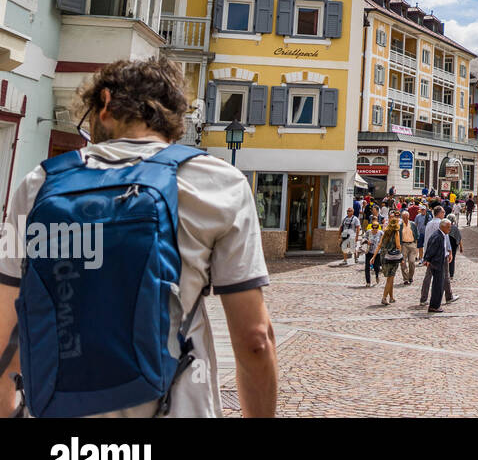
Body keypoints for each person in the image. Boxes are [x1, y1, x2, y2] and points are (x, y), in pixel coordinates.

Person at [0, 56, 276, 418]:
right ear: (175, 117)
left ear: (105, 105)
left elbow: (7, 329)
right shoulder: (216, 182)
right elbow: (255, 340)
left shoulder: (39, 184)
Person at [422, 220, 452, 313]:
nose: (449, 229)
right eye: (448, 227)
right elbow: (431, 249)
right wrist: (427, 259)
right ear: (443, 227)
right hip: (436, 263)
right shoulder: (437, 236)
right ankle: (434, 306)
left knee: (439, 284)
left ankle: (436, 305)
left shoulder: (440, 235)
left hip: (439, 262)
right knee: (437, 286)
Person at [376, 219, 402, 306]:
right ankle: (384, 297)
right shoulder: (396, 233)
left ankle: (391, 297)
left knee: (390, 278)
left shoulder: (385, 232)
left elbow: (380, 245)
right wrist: (401, 256)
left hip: (384, 256)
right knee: (390, 278)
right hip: (392, 257)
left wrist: (373, 256)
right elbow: (398, 245)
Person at [398, 210, 419, 285]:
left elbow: (416, 235)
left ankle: (410, 276)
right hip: (403, 245)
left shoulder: (412, 224)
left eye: (406, 217)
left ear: (408, 217)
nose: (405, 218)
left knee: (412, 261)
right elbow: (398, 236)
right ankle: (405, 279)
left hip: (412, 244)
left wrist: (416, 246)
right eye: (403, 217)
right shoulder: (400, 226)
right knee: (403, 262)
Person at [362, 221, 382, 286]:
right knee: (367, 267)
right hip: (369, 252)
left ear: (378, 227)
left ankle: (376, 275)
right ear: (372, 226)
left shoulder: (380, 233)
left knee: (376, 267)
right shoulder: (368, 232)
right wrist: (367, 241)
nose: (375, 229)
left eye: (376, 227)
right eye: (373, 227)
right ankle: (368, 282)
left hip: (377, 253)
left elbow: (384, 240)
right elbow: (363, 238)